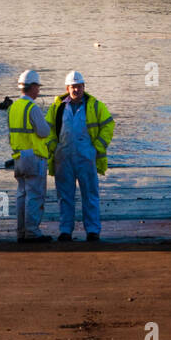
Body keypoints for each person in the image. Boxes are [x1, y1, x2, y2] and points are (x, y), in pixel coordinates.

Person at [46, 71, 114, 242]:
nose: (76, 89)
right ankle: (65, 231)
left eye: (79, 86)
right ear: (67, 88)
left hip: (86, 157)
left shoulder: (95, 106)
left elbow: (108, 125)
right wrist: (54, 148)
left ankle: (92, 231)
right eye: (73, 86)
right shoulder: (57, 107)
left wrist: (97, 147)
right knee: (64, 196)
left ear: (84, 87)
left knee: (90, 194)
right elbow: (47, 130)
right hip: (63, 157)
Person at [8, 70, 53, 242]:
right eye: (38, 87)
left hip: (18, 156)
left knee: (21, 194)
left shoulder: (13, 107)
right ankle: (32, 232)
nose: (39, 91)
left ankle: (21, 232)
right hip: (34, 157)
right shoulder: (32, 107)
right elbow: (44, 132)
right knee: (35, 195)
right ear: (32, 87)